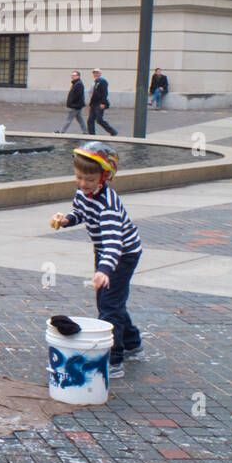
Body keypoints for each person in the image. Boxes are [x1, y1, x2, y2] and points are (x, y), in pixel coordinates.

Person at [50, 142, 143, 369]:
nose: (83, 184)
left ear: (104, 177)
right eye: (79, 178)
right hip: (105, 253)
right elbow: (81, 212)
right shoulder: (83, 193)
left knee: (109, 306)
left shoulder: (108, 206)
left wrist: (104, 271)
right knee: (112, 302)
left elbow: (114, 243)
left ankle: (113, 360)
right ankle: (132, 343)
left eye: (90, 180)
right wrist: (67, 220)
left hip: (122, 254)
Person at [87, 68, 117, 136]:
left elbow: (104, 93)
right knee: (90, 120)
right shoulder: (95, 82)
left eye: (97, 73)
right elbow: (93, 95)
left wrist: (103, 103)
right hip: (94, 103)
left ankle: (113, 131)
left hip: (99, 103)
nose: (96, 74)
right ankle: (91, 134)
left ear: (100, 74)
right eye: (94, 73)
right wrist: (90, 104)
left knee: (99, 119)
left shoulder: (103, 81)